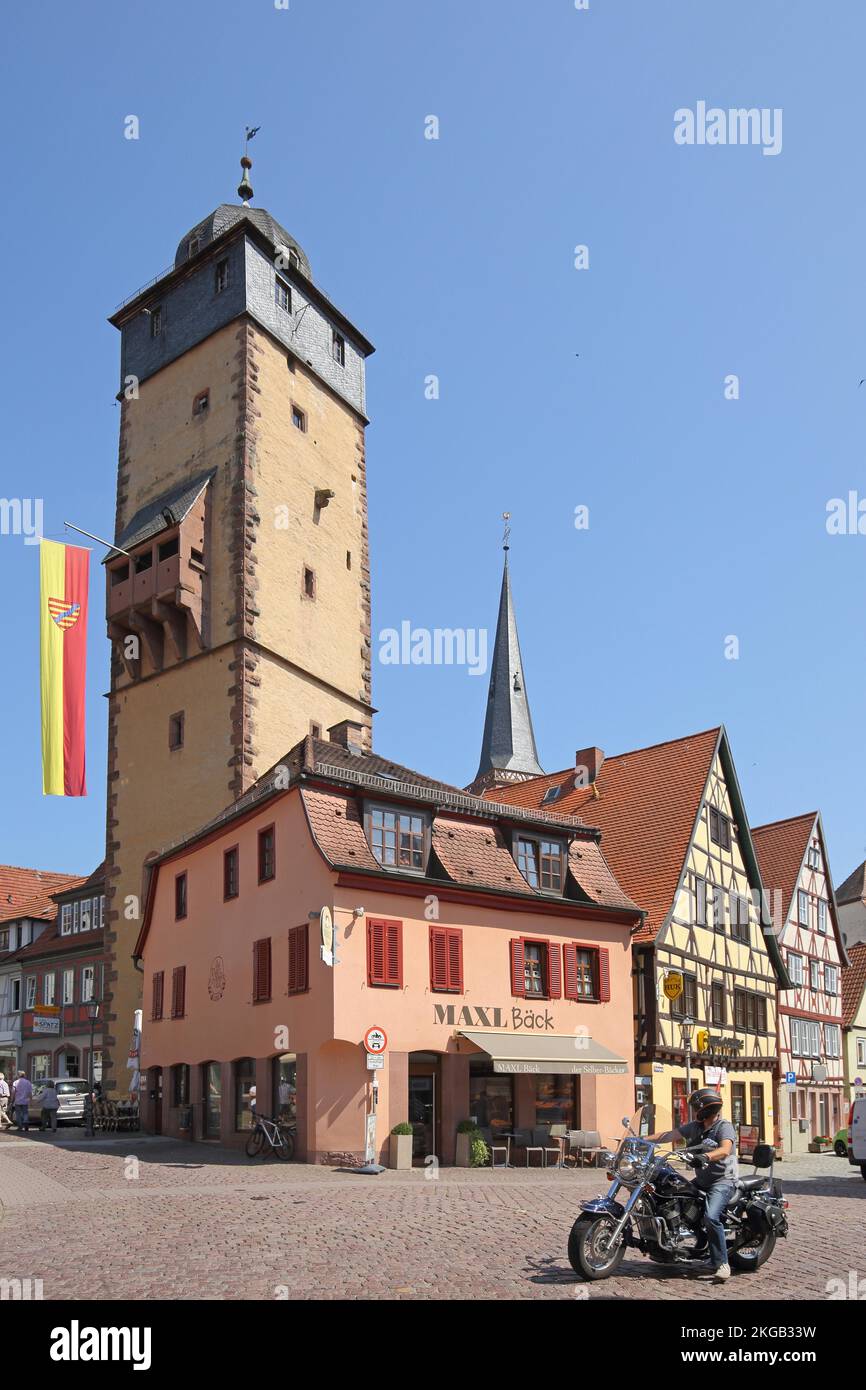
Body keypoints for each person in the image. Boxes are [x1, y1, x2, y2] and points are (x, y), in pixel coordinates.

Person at [648, 1086, 738, 1283]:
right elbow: (669, 1135)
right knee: (677, 1199)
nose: (693, 1112)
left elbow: (725, 1149)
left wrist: (705, 1156)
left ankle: (722, 1263)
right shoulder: (696, 1127)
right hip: (703, 1180)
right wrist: (640, 1140)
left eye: (696, 1108)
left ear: (705, 1108)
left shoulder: (724, 1126)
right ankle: (684, 1244)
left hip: (722, 1181)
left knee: (711, 1217)